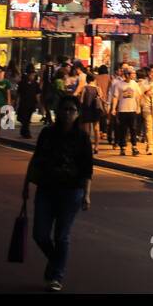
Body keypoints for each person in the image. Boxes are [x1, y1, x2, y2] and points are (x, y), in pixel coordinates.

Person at [23, 95, 94, 292]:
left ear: (77, 113)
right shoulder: (47, 133)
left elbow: (87, 169)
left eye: (72, 110)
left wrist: (87, 194)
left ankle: (56, 276)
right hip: (46, 188)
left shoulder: (82, 138)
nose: (68, 113)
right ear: (58, 111)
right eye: (65, 109)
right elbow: (36, 159)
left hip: (71, 192)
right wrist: (26, 184)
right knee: (40, 234)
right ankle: (56, 262)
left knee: (62, 236)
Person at [110, 65, 141, 156]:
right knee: (122, 129)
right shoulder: (118, 84)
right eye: (132, 73)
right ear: (127, 74)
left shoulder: (134, 84)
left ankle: (134, 147)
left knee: (133, 129)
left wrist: (138, 107)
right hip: (122, 110)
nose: (134, 75)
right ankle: (122, 147)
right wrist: (113, 108)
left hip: (132, 109)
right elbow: (115, 97)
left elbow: (138, 96)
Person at [139, 67, 153, 156]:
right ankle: (151, 146)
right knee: (149, 126)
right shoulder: (143, 83)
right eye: (152, 71)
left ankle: (149, 144)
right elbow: (139, 93)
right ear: (148, 72)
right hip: (146, 107)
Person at [18, 68, 42, 140]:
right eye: (31, 75)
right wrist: (17, 102)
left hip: (32, 103)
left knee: (28, 118)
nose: (32, 76)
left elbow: (37, 94)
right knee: (24, 118)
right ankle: (26, 132)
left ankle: (24, 131)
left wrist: (38, 103)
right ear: (28, 75)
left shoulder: (35, 84)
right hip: (24, 103)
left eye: (33, 75)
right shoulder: (22, 83)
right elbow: (19, 94)